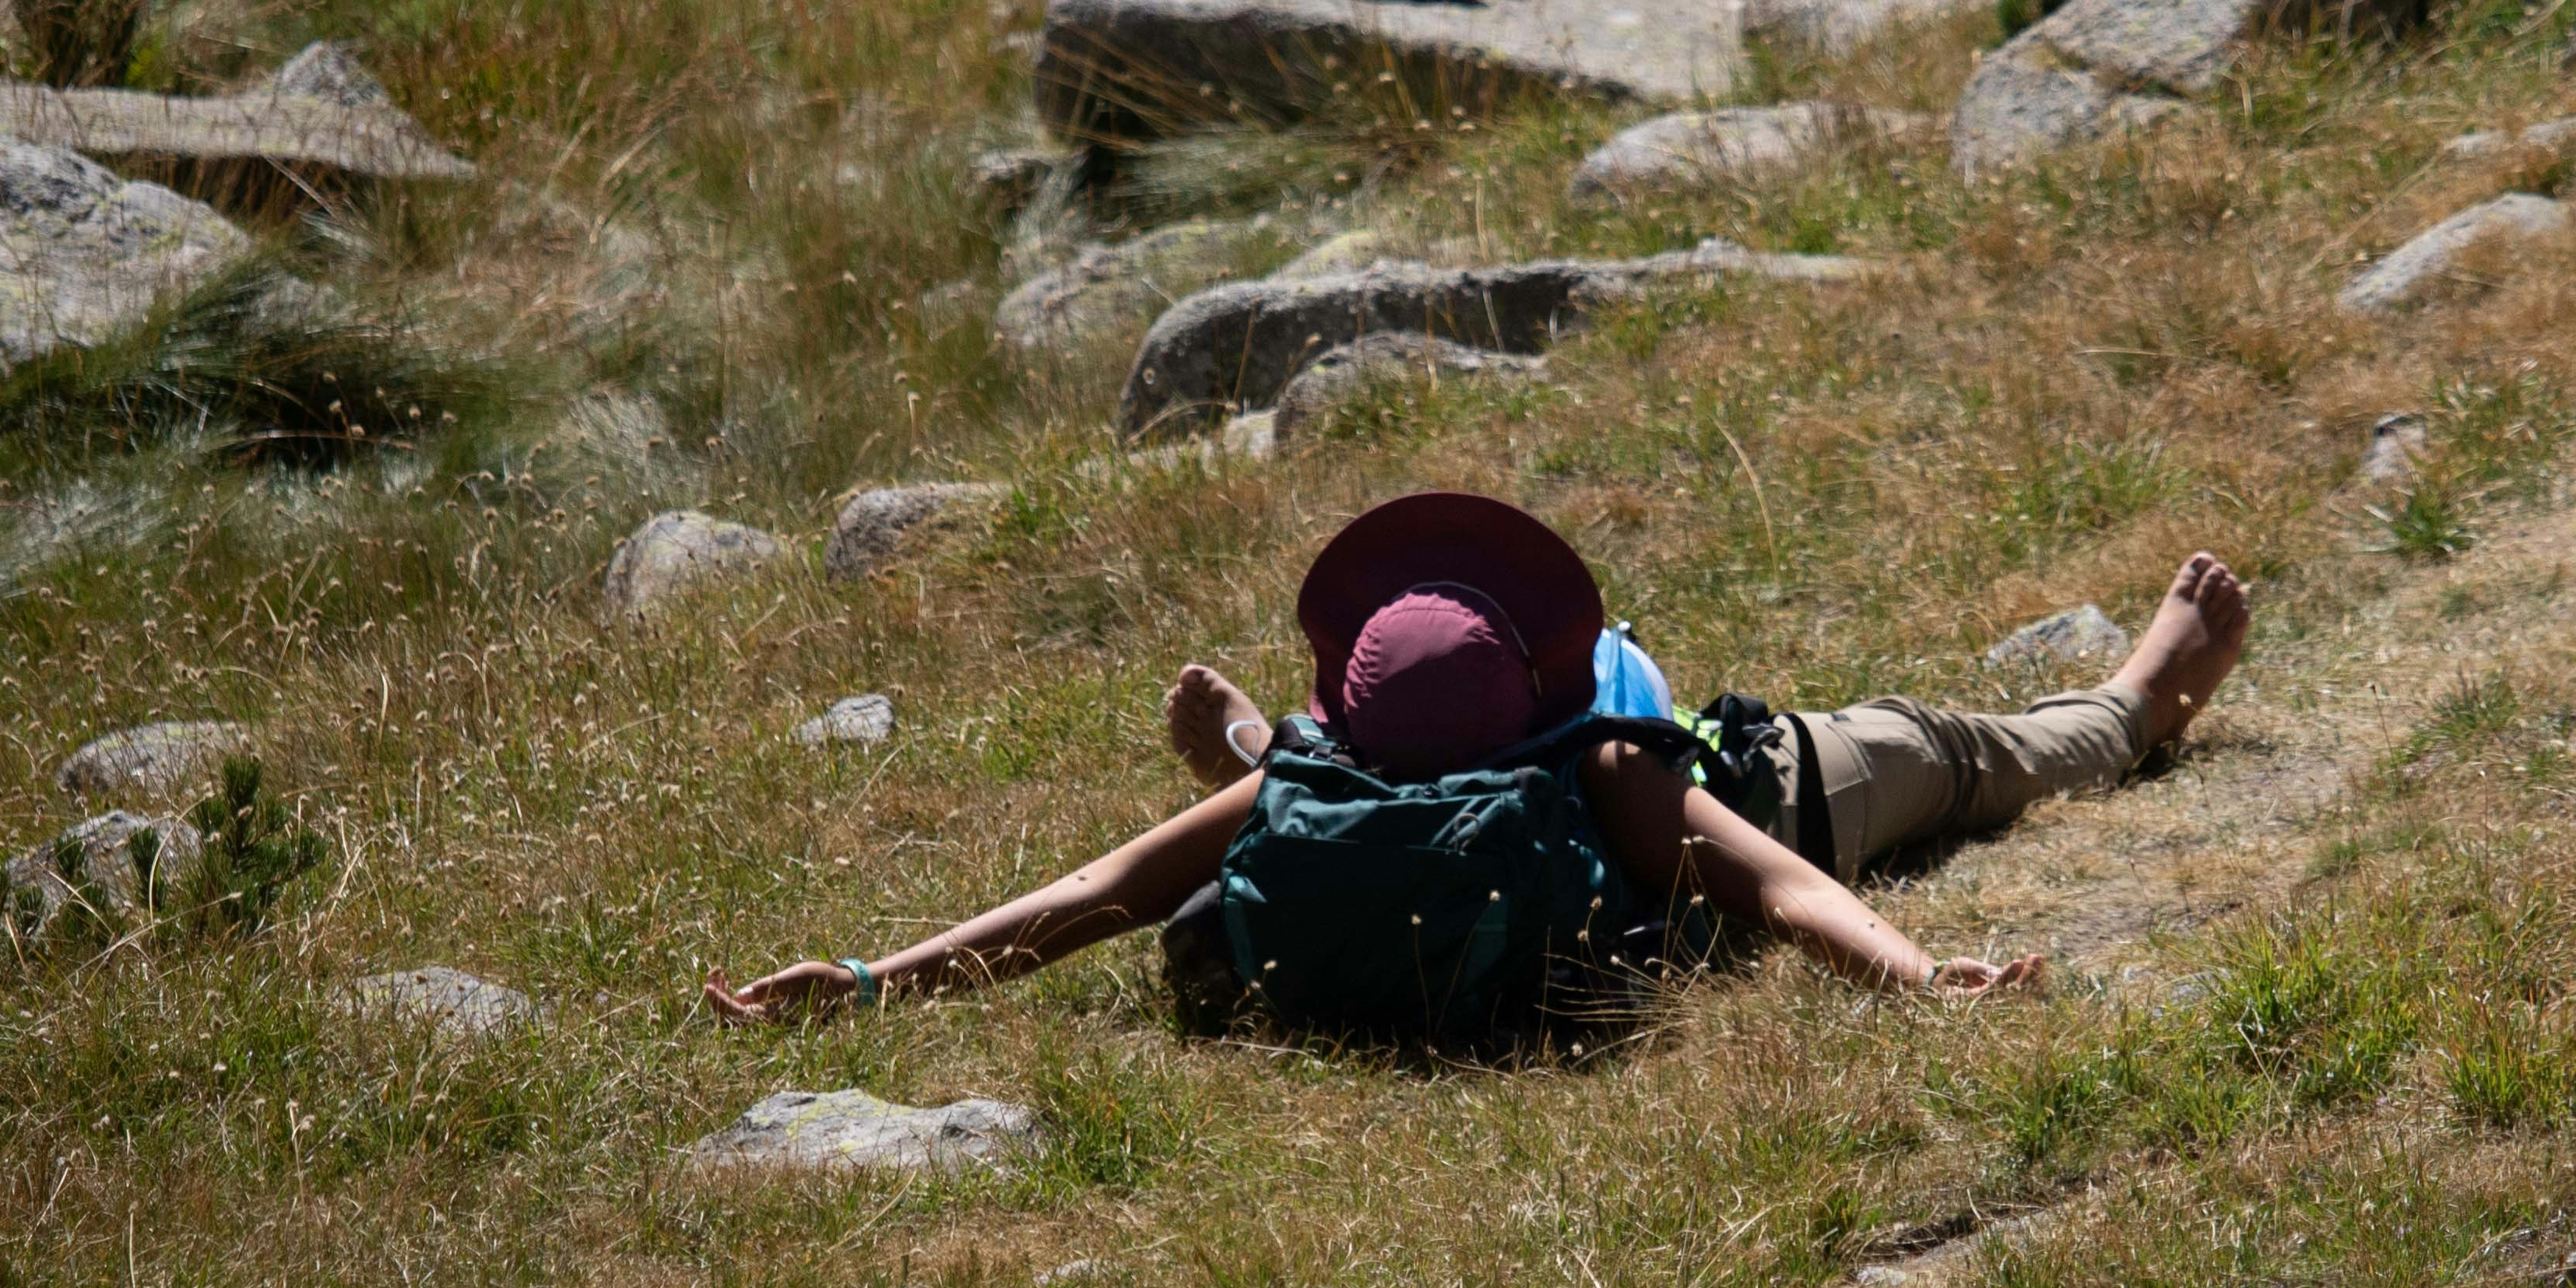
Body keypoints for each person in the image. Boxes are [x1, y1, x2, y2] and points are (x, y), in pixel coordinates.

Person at [704, 490, 2249, 1023]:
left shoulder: (1322, 772)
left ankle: (1239, 747)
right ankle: (2134, 703)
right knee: (1961, 747)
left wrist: (868, 980)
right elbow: (1778, 893)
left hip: (1355, 797)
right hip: (1782, 783)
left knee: (1272, 789)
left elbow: (1097, 895)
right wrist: (1923, 982)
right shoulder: (1611, 767)